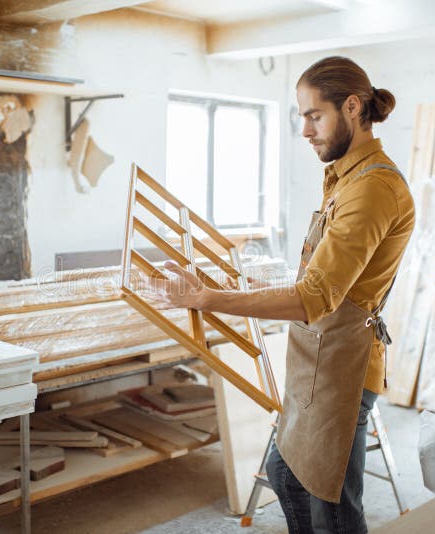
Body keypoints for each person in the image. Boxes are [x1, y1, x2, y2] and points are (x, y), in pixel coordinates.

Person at [148, 56, 415, 534]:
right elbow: (314, 279)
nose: (305, 130)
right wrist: (224, 286)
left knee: (331, 505)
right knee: (286, 477)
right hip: (318, 360)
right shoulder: (346, 177)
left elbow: (312, 298)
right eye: (301, 117)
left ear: (352, 107)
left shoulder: (373, 188)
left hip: (343, 370)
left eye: (314, 115)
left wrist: (207, 300)